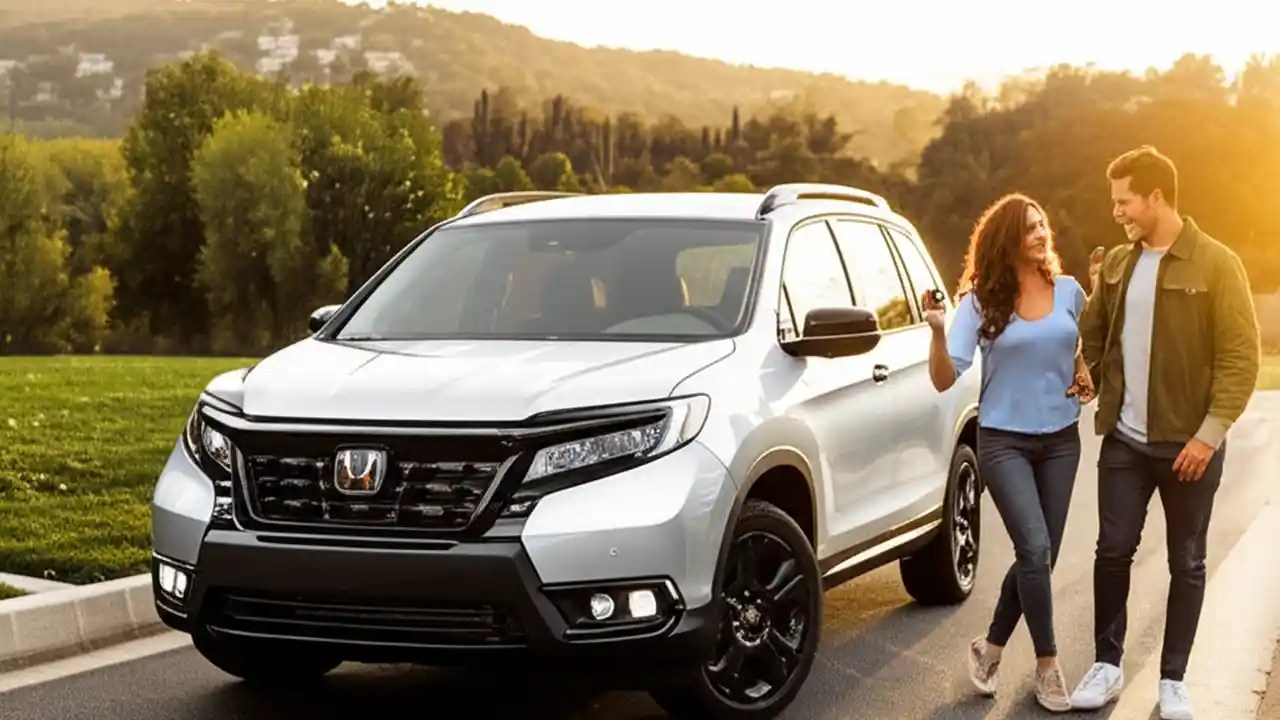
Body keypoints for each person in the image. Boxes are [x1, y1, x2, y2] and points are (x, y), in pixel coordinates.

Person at [1068, 145, 1261, 720]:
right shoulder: (1122, 265)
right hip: (1125, 442)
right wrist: (1087, 371)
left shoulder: (1217, 264)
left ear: (1156, 197)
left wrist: (1208, 436)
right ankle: (1106, 665)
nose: (1118, 211)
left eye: (1125, 200)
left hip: (1190, 448)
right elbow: (1096, 334)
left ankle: (1174, 678)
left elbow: (1240, 359)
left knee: (1187, 563)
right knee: (1112, 550)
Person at [922, 192, 1094, 713]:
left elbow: (1075, 345)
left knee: (1037, 556)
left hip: (1062, 439)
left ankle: (989, 648)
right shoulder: (979, 303)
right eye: (1030, 228)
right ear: (1007, 241)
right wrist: (935, 330)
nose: (1042, 234)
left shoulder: (1069, 291)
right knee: (1036, 551)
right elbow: (943, 377)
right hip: (1003, 441)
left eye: (1044, 225)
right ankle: (1048, 667)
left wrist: (1084, 372)